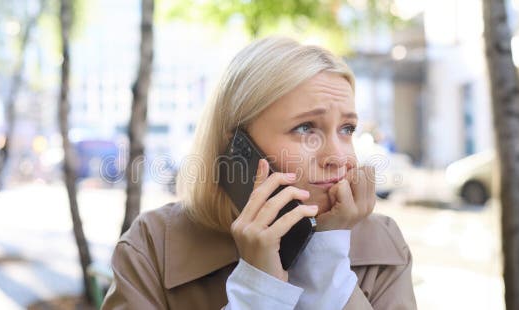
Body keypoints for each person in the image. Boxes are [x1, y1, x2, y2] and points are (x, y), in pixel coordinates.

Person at [102, 36, 416, 309]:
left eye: (347, 128)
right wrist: (257, 292)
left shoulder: (382, 242)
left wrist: (326, 266)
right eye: (305, 128)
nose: (338, 157)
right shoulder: (153, 245)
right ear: (237, 148)